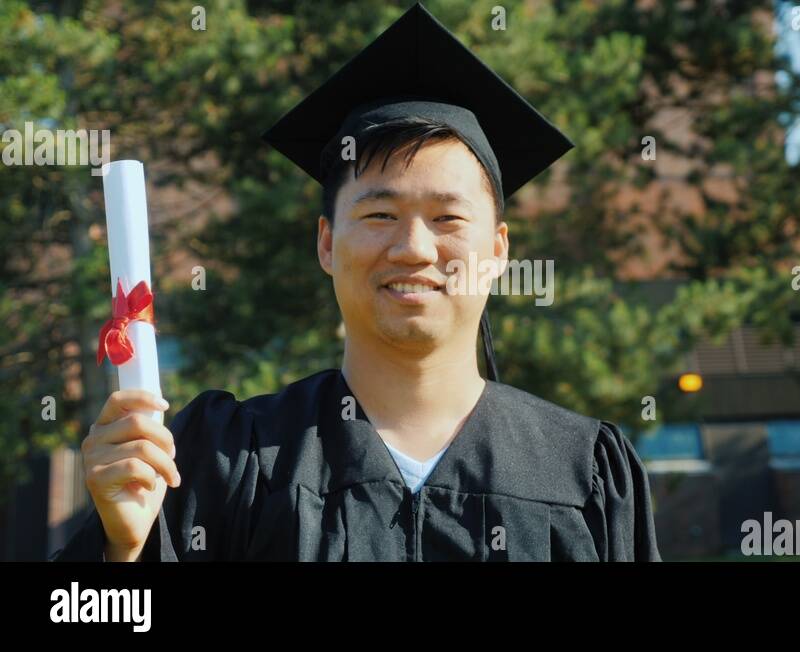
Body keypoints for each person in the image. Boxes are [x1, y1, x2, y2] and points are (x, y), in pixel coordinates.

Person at [53, 2, 661, 562]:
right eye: (379, 216)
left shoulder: (585, 473)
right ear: (326, 243)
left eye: (448, 217)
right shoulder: (220, 461)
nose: (414, 248)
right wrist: (121, 553)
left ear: (498, 250)